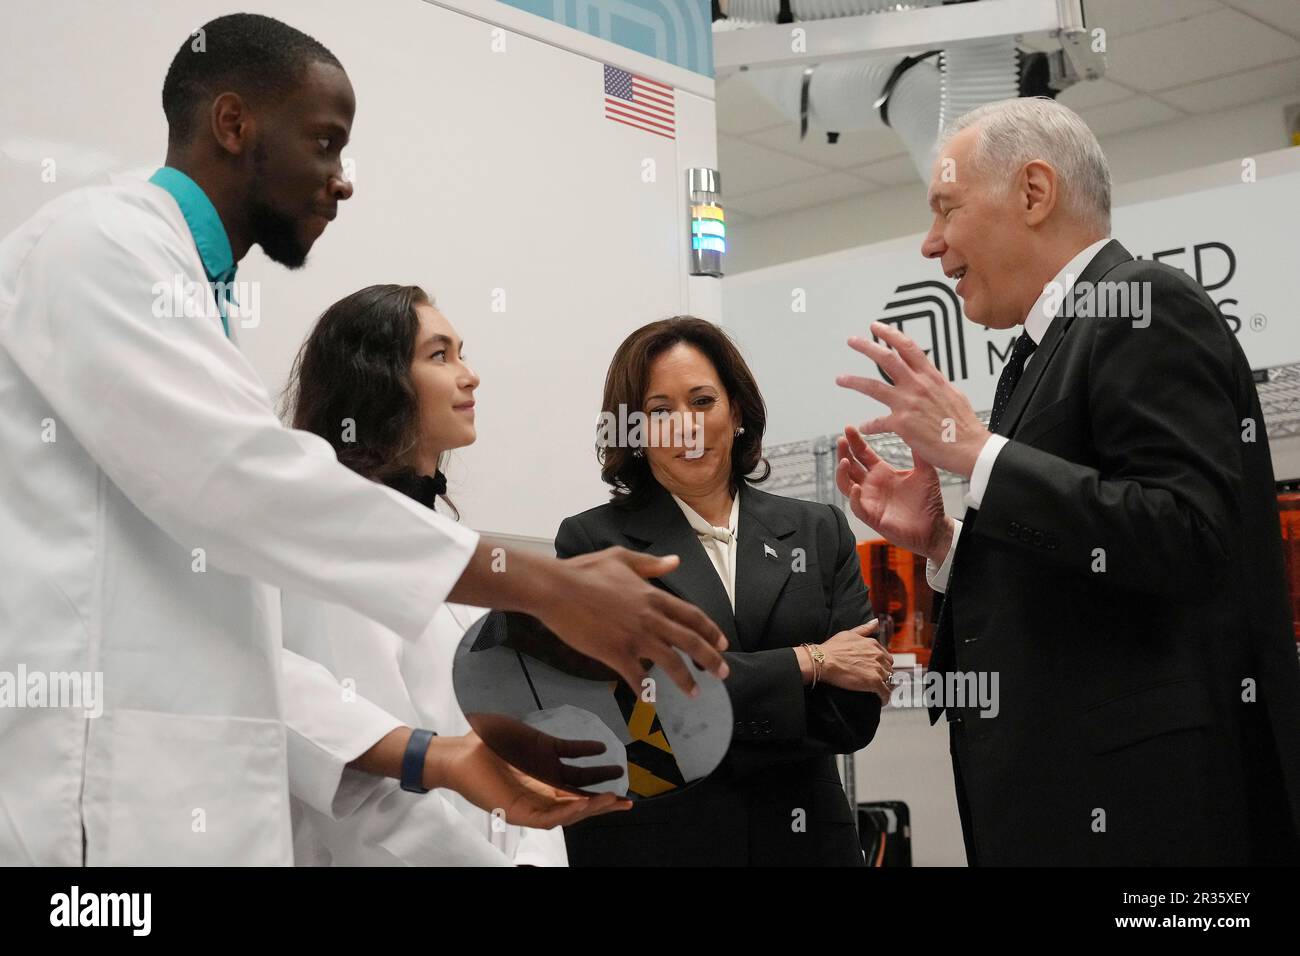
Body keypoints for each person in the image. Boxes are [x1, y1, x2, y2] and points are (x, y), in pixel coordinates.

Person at [0, 13, 726, 866]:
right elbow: (243, 484)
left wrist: (444, 756)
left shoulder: (197, 300)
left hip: (185, 802)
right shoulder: (97, 242)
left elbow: (271, 644)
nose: (342, 181)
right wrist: (543, 586)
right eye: (325, 143)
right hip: (105, 813)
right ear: (234, 124)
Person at [835, 97, 1300, 865]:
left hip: (1151, 820)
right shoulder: (1042, 354)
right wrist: (945, 544)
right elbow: (1070, 576)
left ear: (1033, 192)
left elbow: (1187, 534)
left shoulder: (1146, 305)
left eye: (945, 209)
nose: (931, 244)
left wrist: (977, 453)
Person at [557, 317, 891, 866]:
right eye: (659, 410)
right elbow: (645, 715)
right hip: (664, 847)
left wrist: (717, 711)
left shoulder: (818, 530)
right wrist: (808, 664)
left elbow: (853, 713)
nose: (685, 427)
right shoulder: (593, 542)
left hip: (805, 845)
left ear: (736, 412)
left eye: (702, 401)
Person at [279, 283, 570, 865]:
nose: (470, 375)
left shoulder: (453, 555)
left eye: (462, 352)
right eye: (440, 356)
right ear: (376, 380)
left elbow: (515, 756)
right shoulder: (336, 556)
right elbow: (366, 793)